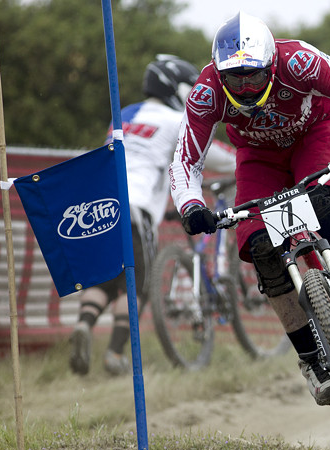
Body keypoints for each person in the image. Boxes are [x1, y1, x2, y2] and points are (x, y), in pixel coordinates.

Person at [168, 11, 330, 406]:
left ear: (270, 65)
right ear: (220, 73)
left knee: (326, 204)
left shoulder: (298, 60)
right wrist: (192, 206)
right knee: (258, 244)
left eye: (253, 74)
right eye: (235, 76)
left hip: (314, 135)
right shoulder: (206, 92)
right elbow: (185, 162)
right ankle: (312, 361)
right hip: (258, 156)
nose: (245, 86)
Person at [68, 55, 235, 376]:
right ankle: (115, 354)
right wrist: (249, 160)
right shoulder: (176, 120)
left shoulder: (124, 115)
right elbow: (218, 158)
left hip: (98, 206)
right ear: (176, 88)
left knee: (106, 277)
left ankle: (84, 324)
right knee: (134, 287)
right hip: (137, 205)